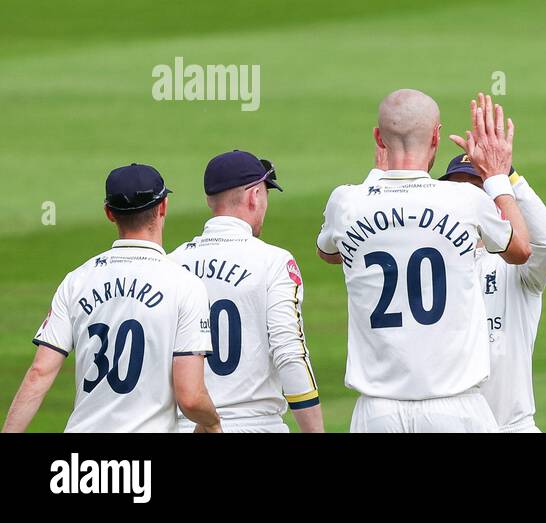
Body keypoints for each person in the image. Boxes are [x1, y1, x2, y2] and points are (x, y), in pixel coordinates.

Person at [317, 90, 532, 432]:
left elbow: (328, 252)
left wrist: (376, 182)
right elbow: (521, 249)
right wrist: (496, 176)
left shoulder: (346, 202)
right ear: (436, 135)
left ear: (378, 137)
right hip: (456, 409)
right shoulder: (465, 199)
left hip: (378, 413)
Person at [3, 164, 221, 433]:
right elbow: (190, 397)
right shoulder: (185, 285)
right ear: (163, 206)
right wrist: (213, 423)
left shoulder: (77, 280)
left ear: (109, 213)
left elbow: (39, 373)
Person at [170, 150, 324, 433]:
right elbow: (290, 353)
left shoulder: (171, 263)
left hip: (187, 427)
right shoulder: (274, 261)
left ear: (209, 200)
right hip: (256, 425)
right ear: (254, 196)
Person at [442, 154, 546, 433]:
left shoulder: (515, 267)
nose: (467, 198)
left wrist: (508, 178)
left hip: (510, 426)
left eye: (478, 188)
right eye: (458, 188)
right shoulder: (434, 263)